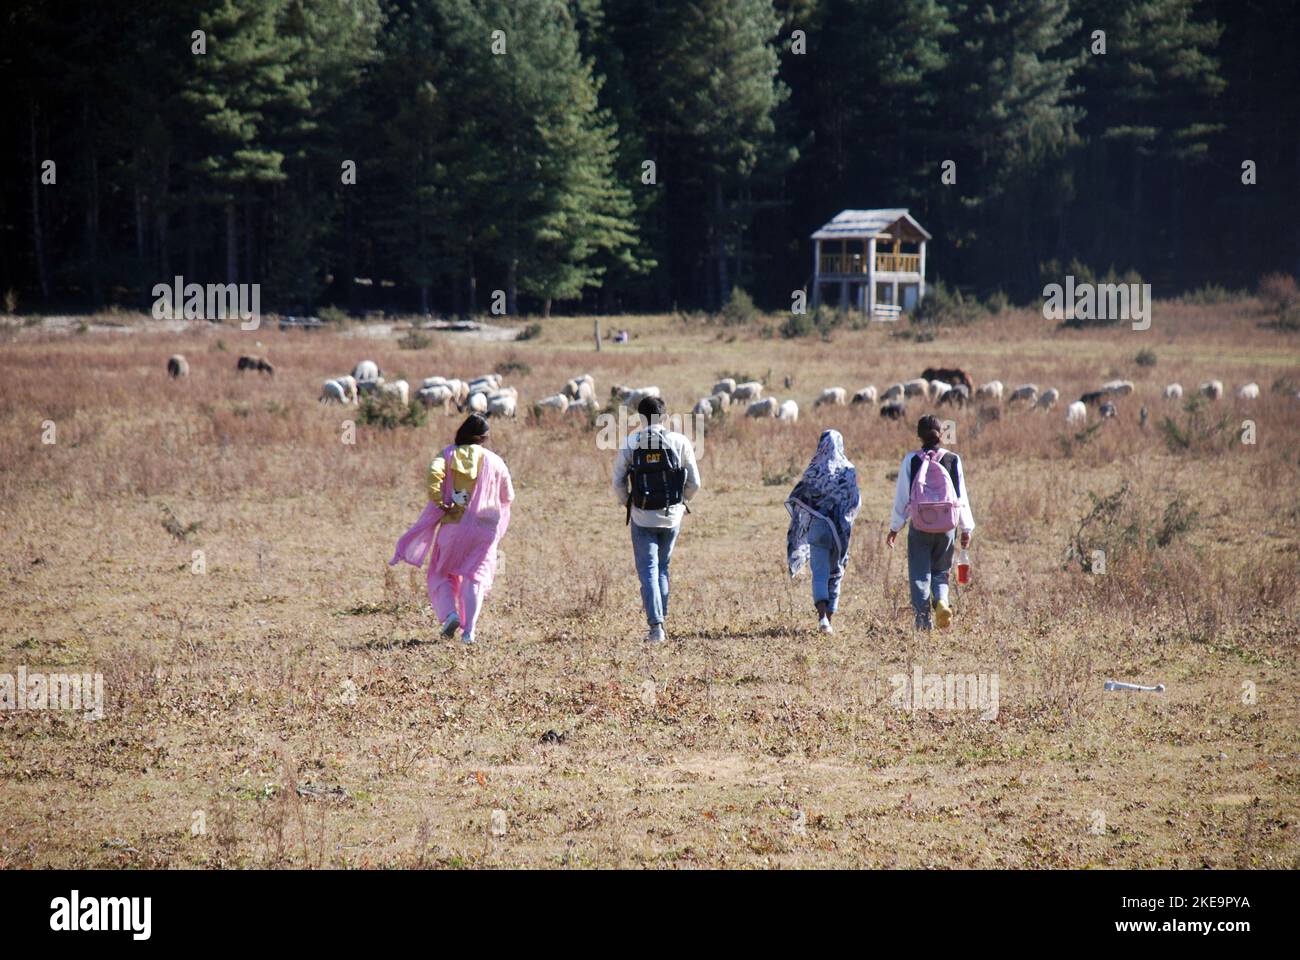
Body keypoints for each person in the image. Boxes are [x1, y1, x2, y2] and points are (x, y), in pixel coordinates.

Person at [389, 413, 514, 645]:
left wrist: (440, 501)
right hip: (484, 532)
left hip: (453, 526)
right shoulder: (496, 462)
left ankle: (450, 615)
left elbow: (434, 474)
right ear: (484, 438)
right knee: (474, 577)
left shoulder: (448, 454)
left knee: (440, 572)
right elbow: (508, 495)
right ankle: (469, 633)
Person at [612, 396, 701, 642]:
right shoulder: (679, 441)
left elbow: (617, 481)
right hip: (672, 517)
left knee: (648, 570)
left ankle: (656, 627)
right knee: (663, 568)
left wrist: (628, 502)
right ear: (664, 416)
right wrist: (681, 503)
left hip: (642, 517)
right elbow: (695, 482)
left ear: (640, 418)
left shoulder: (631, 442)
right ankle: (661, 619)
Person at [886, 415, 974, 630]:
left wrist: (895, 527)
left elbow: (903, 497)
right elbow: (960, 496)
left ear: (919, 436)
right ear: (941, 435)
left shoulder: (911, 460)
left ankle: (923, 622)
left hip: (920, 524)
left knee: (919, 573)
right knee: (941, 570)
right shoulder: (953, 459)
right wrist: (966, 528)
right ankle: (942, 600)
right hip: (947, 526)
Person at [785, 429, 861, 634]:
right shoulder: (849, 470)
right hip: (840, 531)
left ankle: (822, 620)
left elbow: (802, 495)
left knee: (819, 574)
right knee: (835, 573)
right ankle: (829, 619)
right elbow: (855, 501)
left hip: (817, 529)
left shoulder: (814, 468)